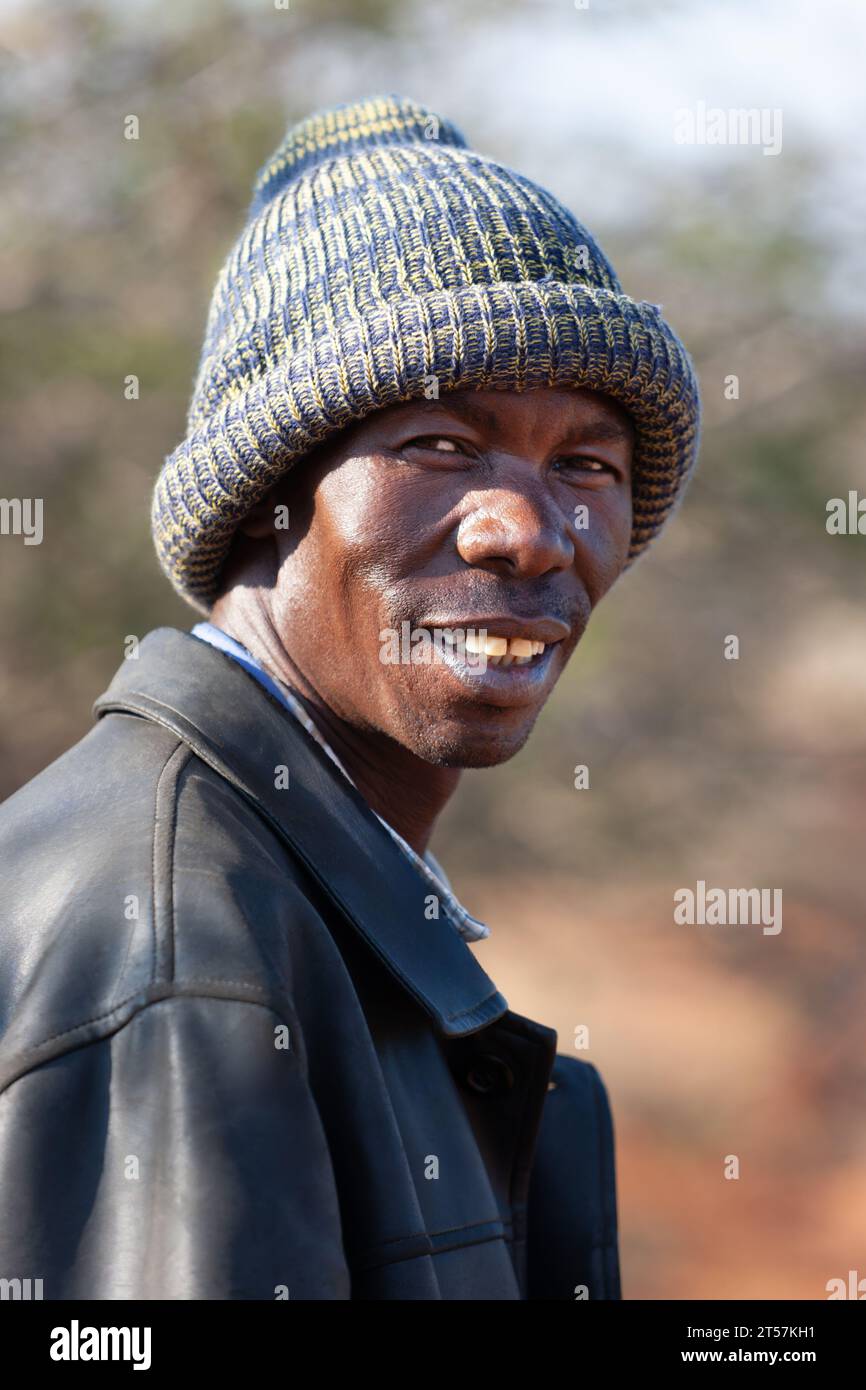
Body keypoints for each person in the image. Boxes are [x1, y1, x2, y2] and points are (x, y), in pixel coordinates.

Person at [0, 93, 700, 1299]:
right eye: (439, 445)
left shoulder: (307, 894)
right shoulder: (183, 937)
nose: (529, 533)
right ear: (267, 501)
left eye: (583, 464)